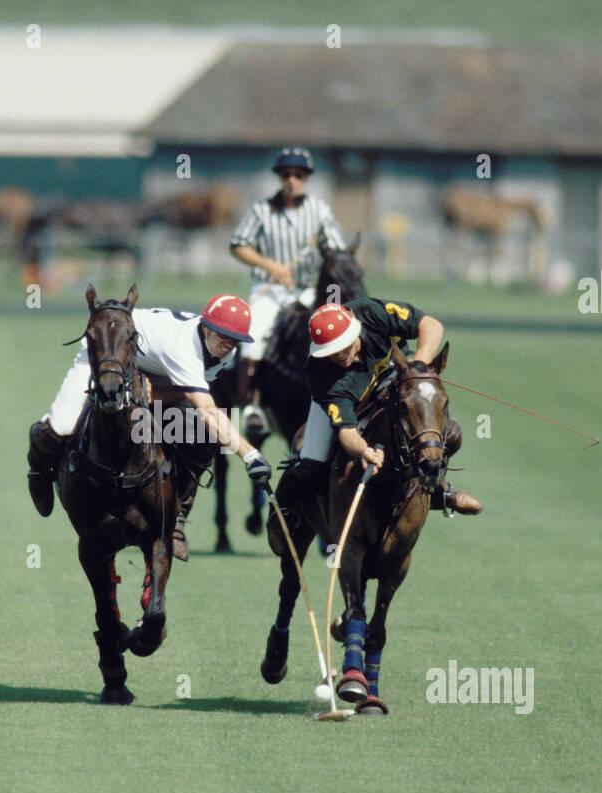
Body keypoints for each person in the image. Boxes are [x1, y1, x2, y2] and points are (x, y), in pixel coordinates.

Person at [27, 294, 273, 560]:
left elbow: (185, 393)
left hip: (156, 367)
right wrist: (250, 455)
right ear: (206, 328)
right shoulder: (183, 347)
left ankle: (177, 513)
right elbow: (208, 409)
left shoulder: (222, 352)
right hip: (111, 344)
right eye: (223, 336)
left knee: (201, 435)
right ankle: (38, 467)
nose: (228, 345)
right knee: (62, 425)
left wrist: (147, 394)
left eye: (235, 340)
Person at [280, 299, 482, 515]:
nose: (339, 356)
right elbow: (347, 431)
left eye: (344, 347)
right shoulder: (322, 371)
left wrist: (416, 368)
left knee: (451, 434)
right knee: (312, 466)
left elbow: (431, 325)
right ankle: (288, 512)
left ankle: (436, 490)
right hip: (345, 403)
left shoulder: (371, 313)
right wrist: (364, 450)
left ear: (355, 331)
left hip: (398, 379)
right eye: (332, 351)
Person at [229, 147, 348, 436]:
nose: (292, 180)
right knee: (254, 334)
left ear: (306, 178)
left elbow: (338, 252)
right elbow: (238, 246)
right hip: (270, 290)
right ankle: (253, 404)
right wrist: (270, 265)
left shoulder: (319, 211)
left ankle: (337, 397)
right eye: (286, 175)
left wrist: (323, 249)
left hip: (307, 291)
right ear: (279, 177)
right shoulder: (262, 210)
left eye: (298, 175)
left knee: (335, 333)